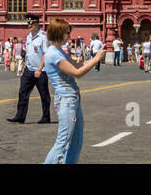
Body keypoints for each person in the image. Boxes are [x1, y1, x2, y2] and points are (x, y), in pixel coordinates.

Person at [41, 18, 106, 164]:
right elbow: (77, 73)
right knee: (63, 142)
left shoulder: (59, 51)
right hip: (66, 101)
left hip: (72, 99)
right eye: (67, 33)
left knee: (77, 141)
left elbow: (78, 64)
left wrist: (95, 57)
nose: (69, 36)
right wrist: (96, 60)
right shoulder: (53, 54)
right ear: (59, 33)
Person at [7, 15, 51, 125]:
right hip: (29, 69)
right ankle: (20, 116)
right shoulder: (29, 36)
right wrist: (26, 65)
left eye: (31, 24)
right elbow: (28, 52)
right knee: (22, 92)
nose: (29, 26)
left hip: (41, 70)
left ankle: (46, 117)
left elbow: (46, 54)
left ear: (37, 24)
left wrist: (40, 69)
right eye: (28, 24)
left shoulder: (43, 37)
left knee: (44, 94)